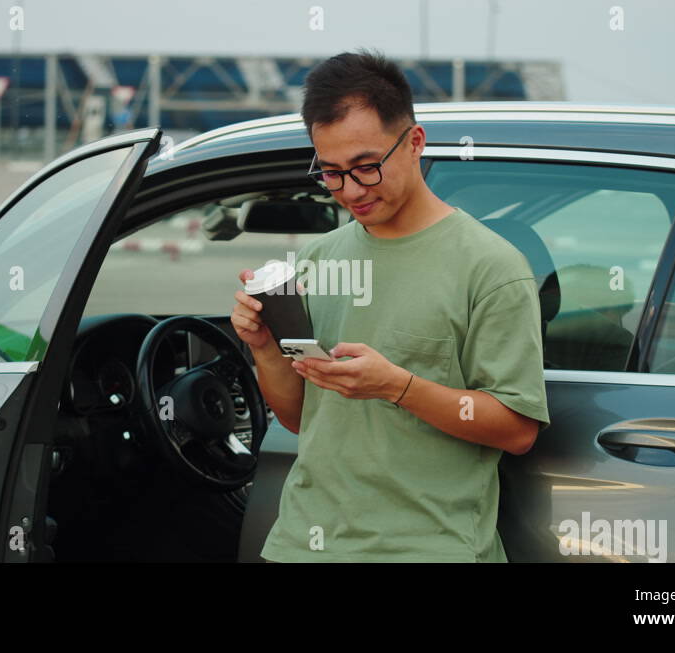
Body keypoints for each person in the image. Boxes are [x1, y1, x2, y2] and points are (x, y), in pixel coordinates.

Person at [230, 48, 550, 562]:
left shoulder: (491, 267)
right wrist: (266, 349)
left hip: (427, 550)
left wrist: (398, 387)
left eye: (365, 167)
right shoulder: (314, 261)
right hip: (302, 544)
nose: (350, 190)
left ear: (415, 142)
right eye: (330, 172)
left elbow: (516, 429)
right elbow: (300, 420)